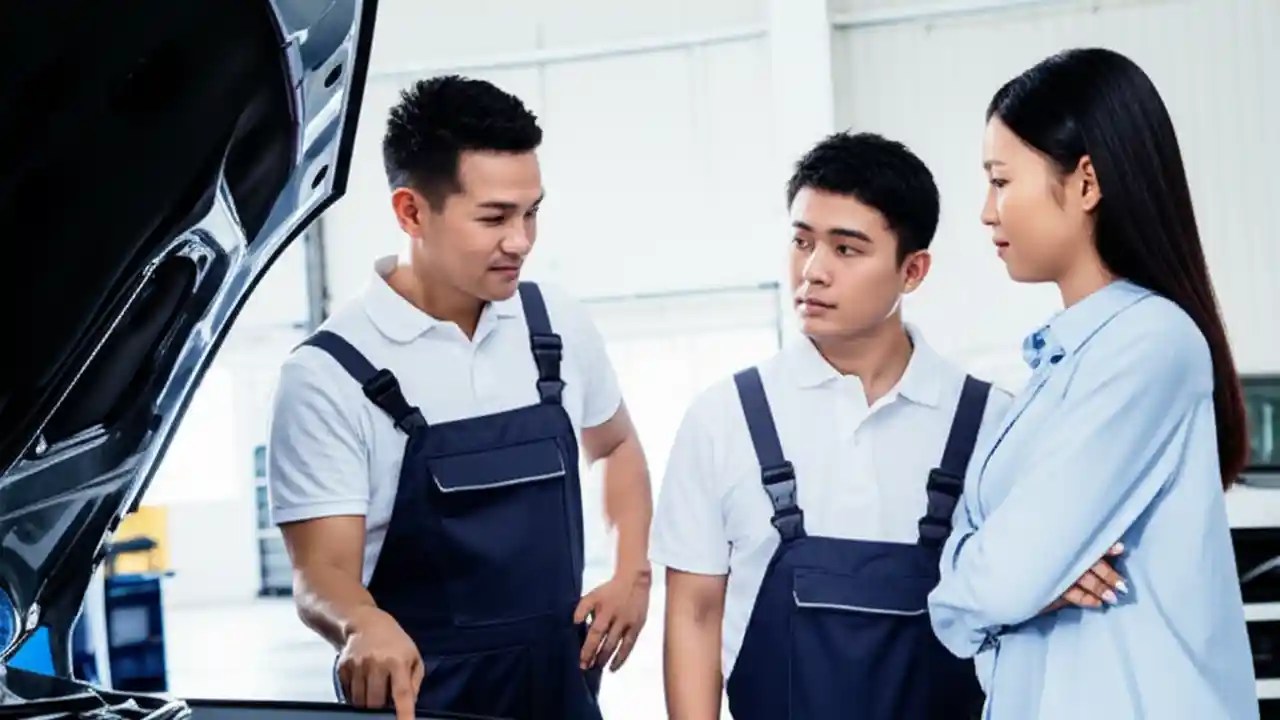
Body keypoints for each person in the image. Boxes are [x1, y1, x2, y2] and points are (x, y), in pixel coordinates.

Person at [266, 75, 654, 720]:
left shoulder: (553, 325)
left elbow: (613, 445)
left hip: (563, 690)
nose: (522, 241)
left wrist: (630, 570)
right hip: (424, 698)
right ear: (411, 212)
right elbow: (320, 574)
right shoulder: (328, 375)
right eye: (495, 217)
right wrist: (362, 623)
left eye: (532, 212)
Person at [926, 47, 1258, 719]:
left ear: (1085, 183)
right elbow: (982, 577)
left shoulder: (1149, 346)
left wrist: (995, 580)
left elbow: (1002, 578)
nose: (987, 212)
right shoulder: (1060, 360)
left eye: (1000, 180)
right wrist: (993, 577)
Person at [650, 131, 1015, 720]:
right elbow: (694, 614)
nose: (812, 272)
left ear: (913, 270)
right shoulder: (725, 419)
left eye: (846, 249)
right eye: (801, 241)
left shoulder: (992, 425)